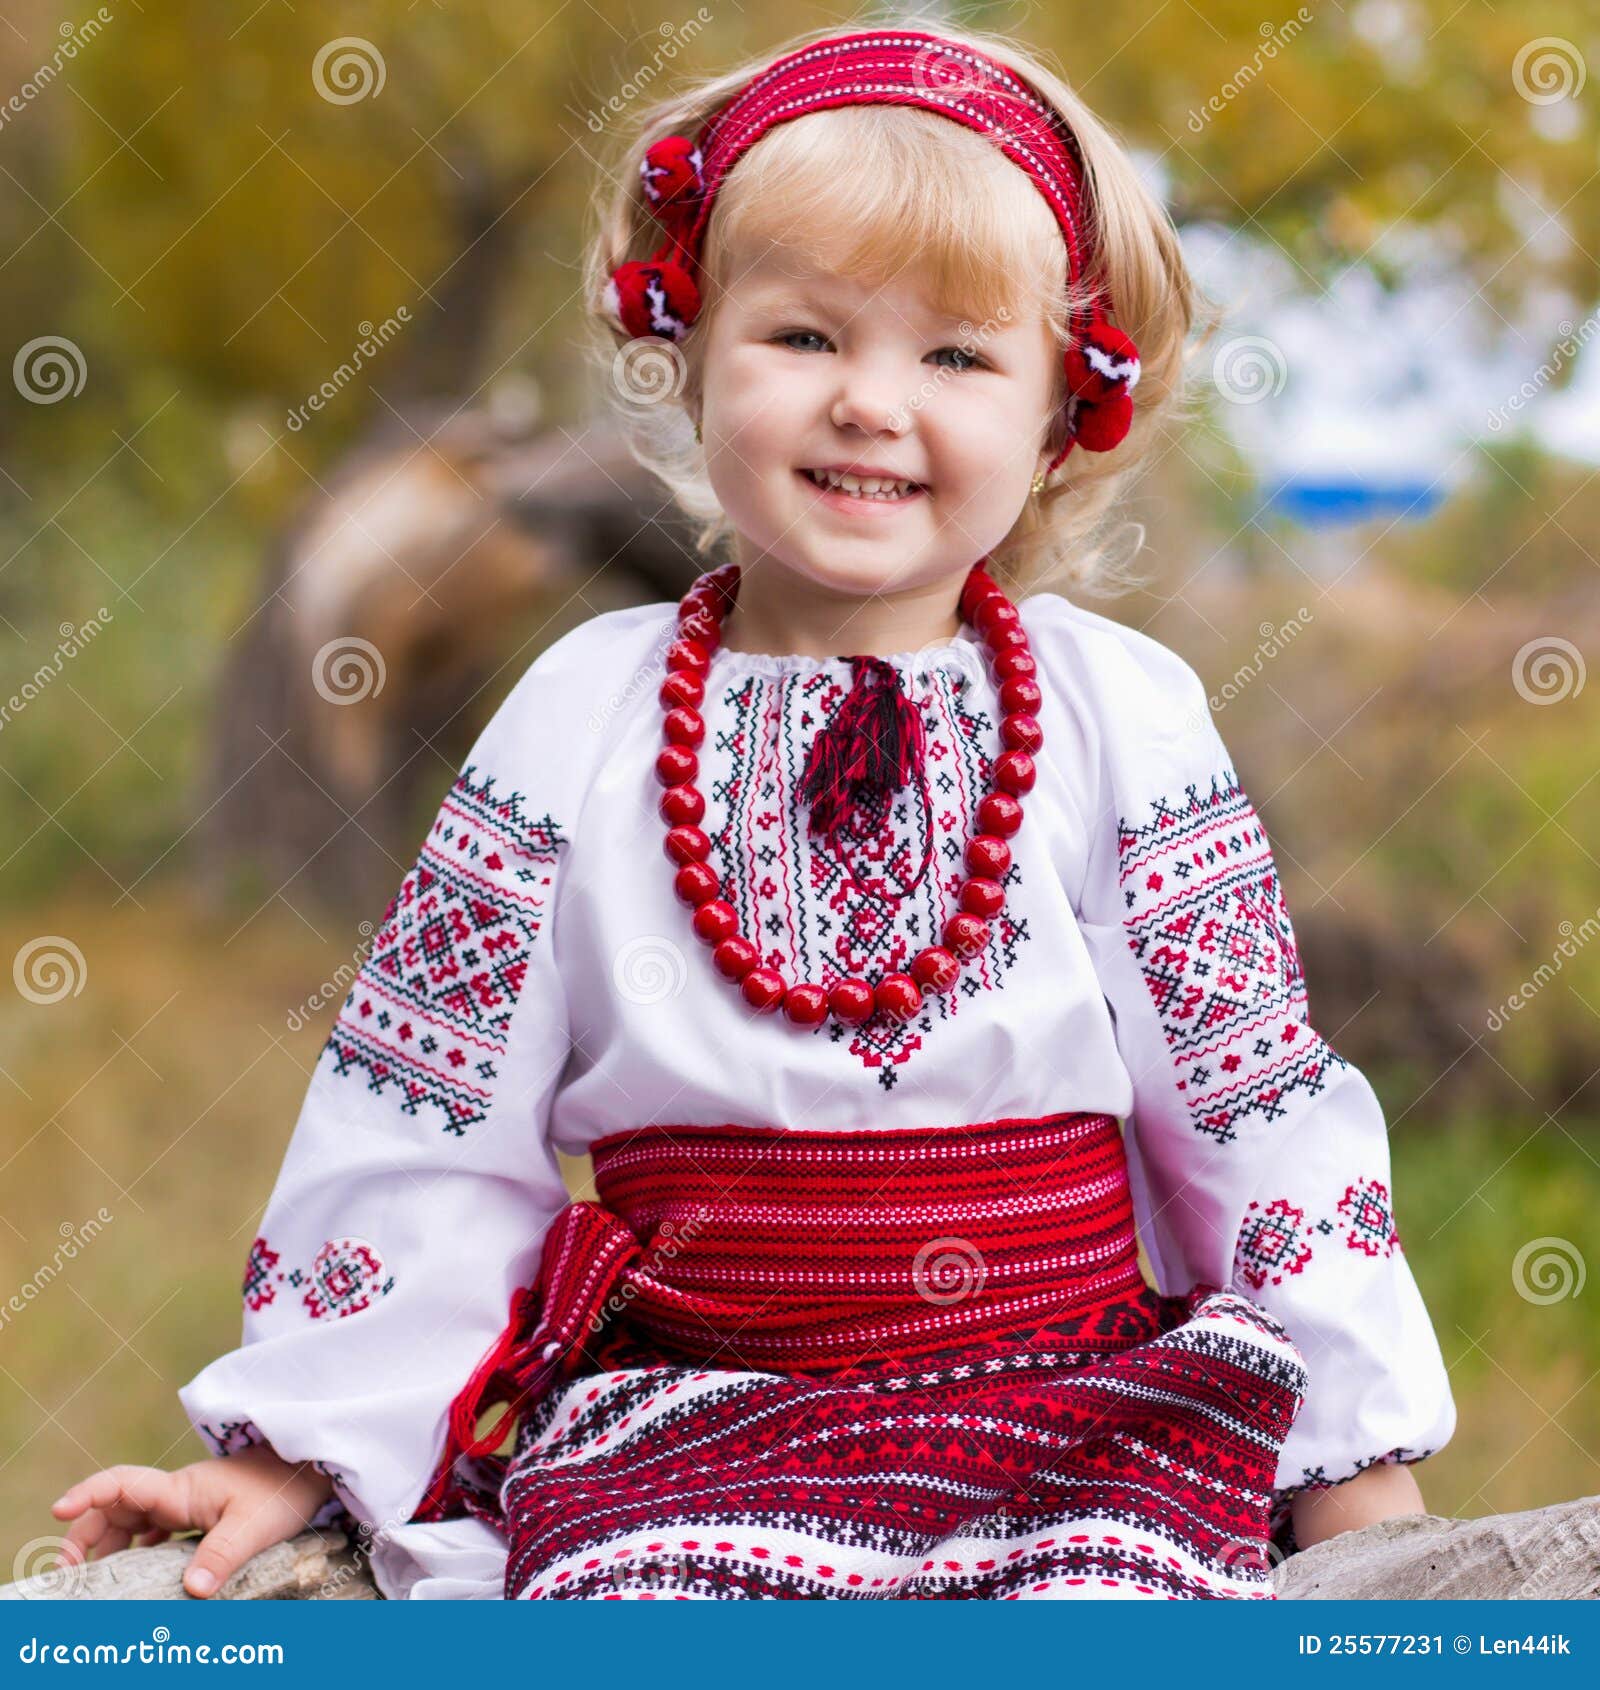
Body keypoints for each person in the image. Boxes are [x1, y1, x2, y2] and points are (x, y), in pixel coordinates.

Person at [49, 21, 1454, 1601]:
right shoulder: (579, 713)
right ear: (693, 350)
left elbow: (1250, 1111)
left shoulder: (1123, 714)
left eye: (956, 356)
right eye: (803, 336)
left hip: (1076, 1422)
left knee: (1113, 1608)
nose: (869, 402)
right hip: (694, 1425)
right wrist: (291, 1441)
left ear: (1064, 414)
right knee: (648, 1609)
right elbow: (428, 1121)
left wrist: (1354, 1454)